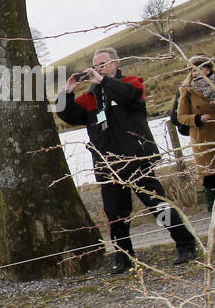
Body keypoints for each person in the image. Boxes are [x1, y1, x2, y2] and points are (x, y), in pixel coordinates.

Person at [57, 47, 196, 273]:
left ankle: (185, 244)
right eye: (96, 64)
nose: (98, 67)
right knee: (115, 214)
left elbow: (131, 97)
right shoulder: (90, 97)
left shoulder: (130, 83)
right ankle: (124, 258)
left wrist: (103, 81)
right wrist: (68, 91)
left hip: (135, 158)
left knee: (156, 203)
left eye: (103, 63)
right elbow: (67, 115)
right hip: (107, 163)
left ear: (116, 64)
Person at [175, 54, 215, 213]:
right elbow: (181, 117)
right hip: (204, 138)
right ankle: (212, 213)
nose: (195, 73)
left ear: (209, 69)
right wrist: (197, 118)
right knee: (211, 177)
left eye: (199, 69)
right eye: (192, 70)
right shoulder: (187, 89)